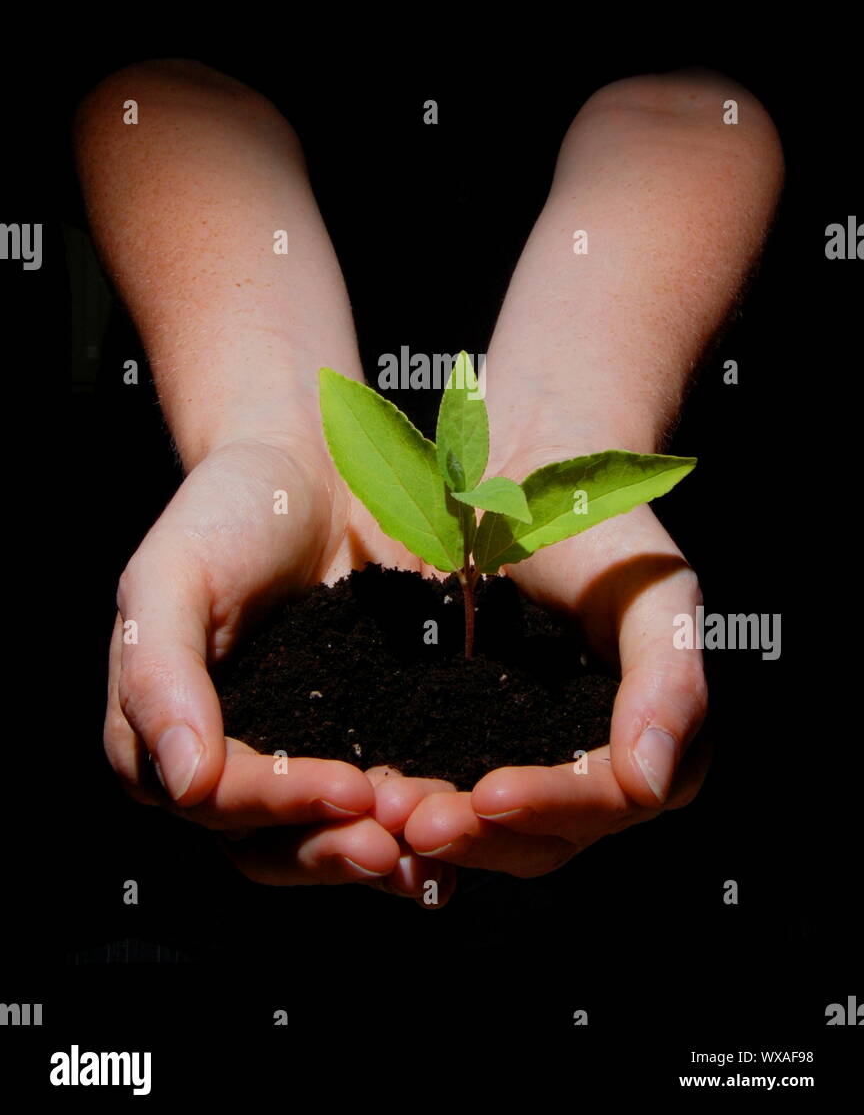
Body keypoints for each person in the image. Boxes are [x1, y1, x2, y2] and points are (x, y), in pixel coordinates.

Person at [73, 58, 783, 905]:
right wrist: (269, 431)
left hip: (649, 336)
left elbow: (688, 100)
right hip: (215, 330)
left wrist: (574, 421)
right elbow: (169, 88)